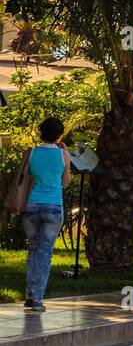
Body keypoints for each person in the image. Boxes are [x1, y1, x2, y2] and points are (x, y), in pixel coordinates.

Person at [23, 117, 71, 312]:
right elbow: (66, 182)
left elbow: (24, 179)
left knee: (34, 249)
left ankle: (30, 293)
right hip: (53, 206)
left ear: (40, 131)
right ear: (59, 135)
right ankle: (36, 297)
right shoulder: (63, 155)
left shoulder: (31, 153)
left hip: (31, 206)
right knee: (44, 252)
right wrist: (66, 154)